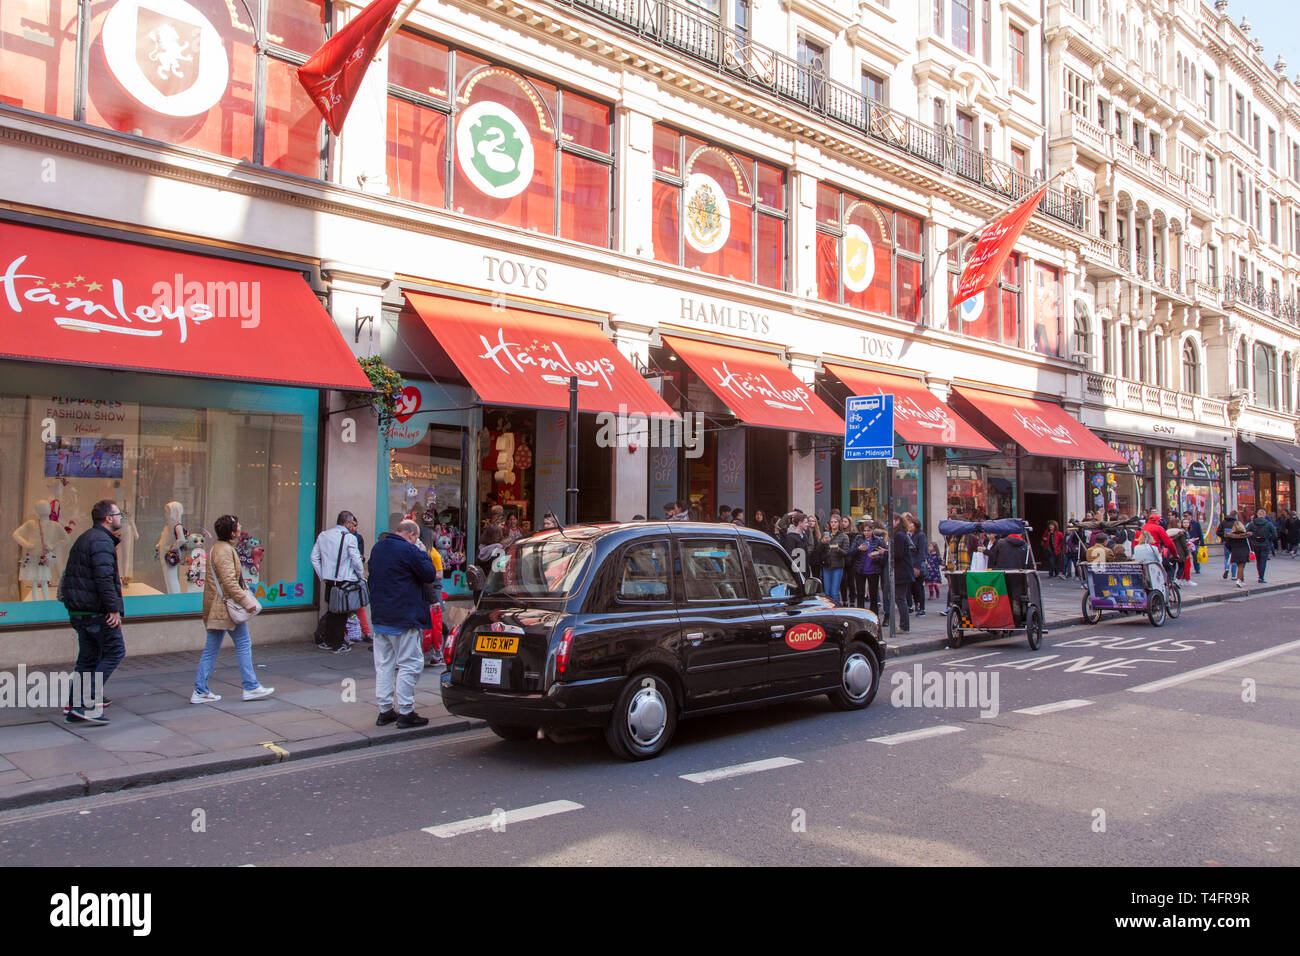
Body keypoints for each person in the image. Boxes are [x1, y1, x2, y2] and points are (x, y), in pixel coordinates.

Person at [192, 514, 274, 704]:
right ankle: (251, 686)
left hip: (218, 608)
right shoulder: (224, 551)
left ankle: (201, 689)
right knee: (243, 643)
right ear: (232, 531)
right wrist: (246, 602)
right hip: (225, 608)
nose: (241, 527)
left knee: (212, 649)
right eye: (238, 525)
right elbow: (229, 582)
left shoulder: (221, 549)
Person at [58, 499, 126, 725]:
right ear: (108, 518)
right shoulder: (101, 542)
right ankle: (87, 703)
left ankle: (75, 707)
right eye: (118, 514)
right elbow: (104, 579)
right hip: (96, 611)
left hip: (80, 610)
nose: (120, 518)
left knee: (87, 659)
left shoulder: (87, 538)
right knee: (115, 651)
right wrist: (113, 609)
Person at [368, 519, 439, 728]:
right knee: (410, 664)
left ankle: (385, 710)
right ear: (412, 535)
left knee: (384, 666)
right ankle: (406, 712)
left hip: (380, 617)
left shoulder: (378, 548)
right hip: (404, 616)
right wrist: (419, 551)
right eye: (415, 538)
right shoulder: (410, 550)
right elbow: (428, 573)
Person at [310, 511, 365, 654]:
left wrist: (322, 575)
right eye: (352, 523)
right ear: (347, 523)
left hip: (329, 579)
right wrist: (361, 575)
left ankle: (328, 641)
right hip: (344, 579)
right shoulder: (349, 538)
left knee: (331, 610)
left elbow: (314, 558)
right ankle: (338, 643)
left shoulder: (323, 535)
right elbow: (356, 560)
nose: (353, 525)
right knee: (341, 612)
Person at [819, 514, 849, 605]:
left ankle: (836, 611)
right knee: (827, 592)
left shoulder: (844, 536)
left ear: (839, 523)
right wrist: (823, 542)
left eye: (835, 522)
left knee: (834, 591)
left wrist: (838, 549)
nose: (833, 524)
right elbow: (819, 550)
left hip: (837, 566)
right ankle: (829, 611)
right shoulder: (826, 534)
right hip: (826, 565)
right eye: (831, 522)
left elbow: (846, 553)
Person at [891, 517, 913, 632]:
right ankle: (904, 625)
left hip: (902, 571)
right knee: (900, 598)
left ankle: (904, 626)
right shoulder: (900, 534)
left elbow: (898, 554)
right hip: (903, 570)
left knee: (900, 598)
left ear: (897, 521)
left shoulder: (899, 535)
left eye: (892, 520)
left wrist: (887, 553)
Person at [1248, 509, 1276, 584]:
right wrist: (1268, 539)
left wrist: (1252, 538)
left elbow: (1247, 533)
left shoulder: (1252, 523)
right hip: (1265, 544)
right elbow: (1275, 535)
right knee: (1263, 561)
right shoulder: (1269, 524)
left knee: (1258, 560)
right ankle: (1261, 577)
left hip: (1255, 544)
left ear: (1257, 514)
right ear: (1265, 515)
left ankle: (1259, 575)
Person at [907, 515, 927, 616]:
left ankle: (922, 607)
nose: (909, 525)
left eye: (911, 523)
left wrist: (918, 567)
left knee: (919, 587)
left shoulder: (920, 535)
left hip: (917, 565)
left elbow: (921, 552)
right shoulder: (910, 535)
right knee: (911, 587)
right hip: (910, 564)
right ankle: (914, 605)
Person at [1223, 520, 1252, 589]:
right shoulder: (1245, 535)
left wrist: (1232, 549)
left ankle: (1242, 580)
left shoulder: (1231, 535)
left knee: (1240, 565)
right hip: (1243, 551)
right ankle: (1239, 580)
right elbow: (1249, 543)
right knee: (1241, 566)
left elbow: (1227, 545)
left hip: (1235, 551)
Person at [1183, 510, 1204, 576]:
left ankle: (1197, 569)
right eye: (1184, 516)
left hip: (1194, 542)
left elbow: (1200, 533)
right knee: (1185, 556)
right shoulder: (1182, 523)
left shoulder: (1195, 523)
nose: (1185, 517)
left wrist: (1202, 543)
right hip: (1185, 542)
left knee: (1195, 556)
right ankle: (1185, 569)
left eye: (1186, 516)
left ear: (1190, 516)